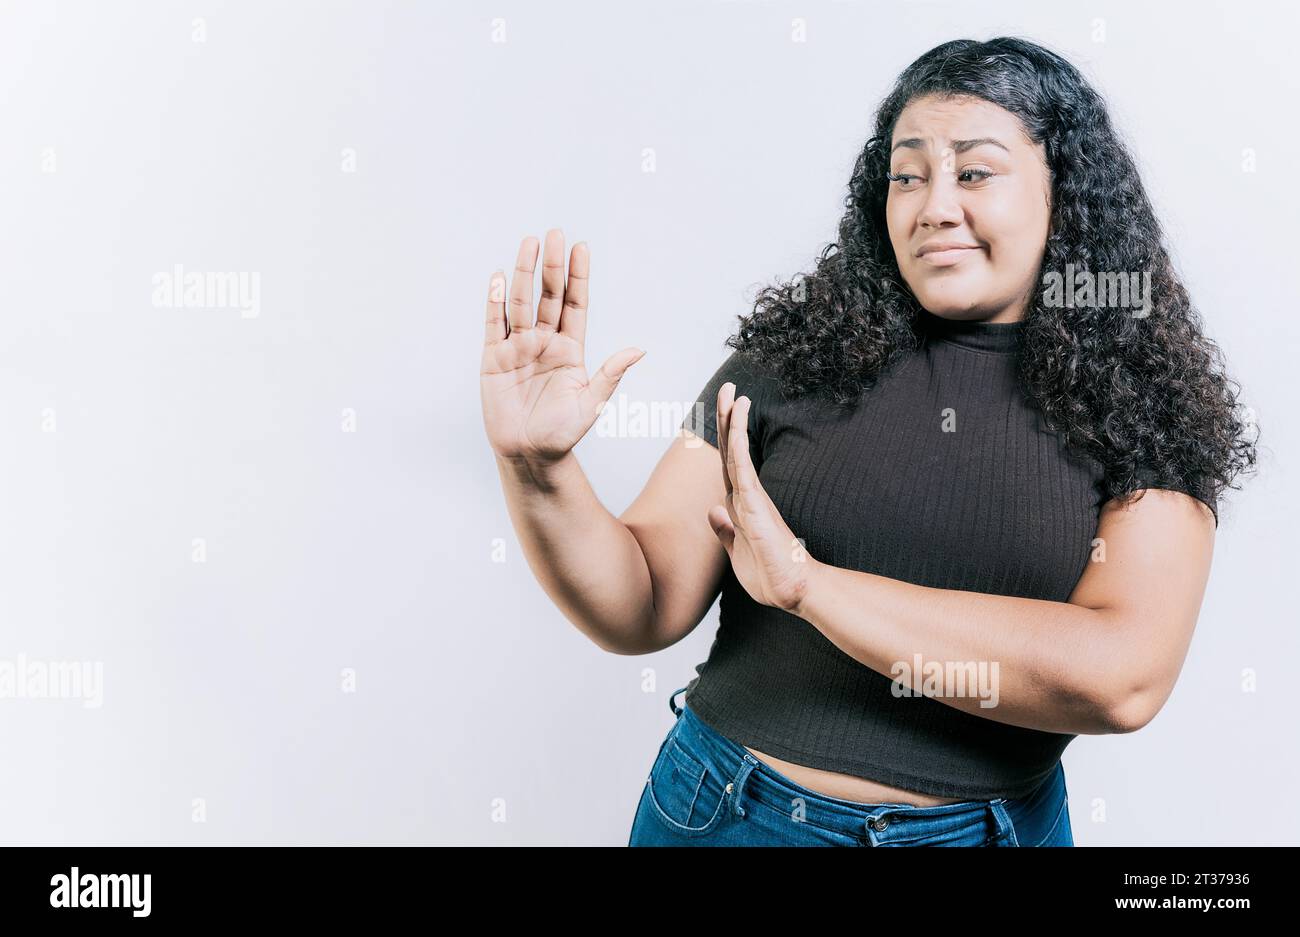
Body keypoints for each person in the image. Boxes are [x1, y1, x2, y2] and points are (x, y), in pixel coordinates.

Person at [479, 37, 1257, 846]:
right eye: (908, 175)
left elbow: (1120, 677)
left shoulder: (1147, 399)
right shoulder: (794, 355)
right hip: (727, 815)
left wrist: (809, 586)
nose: (935, 206)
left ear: (1065, 190)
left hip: (986, 833)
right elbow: (641, 601)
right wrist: (537, 469)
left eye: (976, 172)